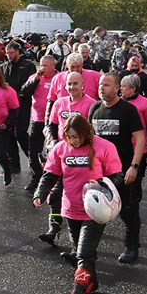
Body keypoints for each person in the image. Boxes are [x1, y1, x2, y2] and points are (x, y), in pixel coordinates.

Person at [33, 114, 123, 294]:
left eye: (76, 137)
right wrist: (40, 193)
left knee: (83, 253)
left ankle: (78, 291)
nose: (73, 141)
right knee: (83, 254)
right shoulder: (61, 148)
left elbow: (116, 175)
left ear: (85, 133)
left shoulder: (104, 147)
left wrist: (100, 184)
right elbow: (50, 174)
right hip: (71, 209)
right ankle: (92, 283)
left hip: (95, 211)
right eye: (69, 137)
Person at [88, 72, 147, 264]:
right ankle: (87, 250)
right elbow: (90, 140)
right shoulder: (94, 108)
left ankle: (132, 246)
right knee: (96, 210)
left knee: (128, 211)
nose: (102, 88)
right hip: (100, 172)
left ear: (117, 88)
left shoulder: (128, 110)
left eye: (106, 85)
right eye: (100, 85)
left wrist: (134, 167)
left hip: (124, 170)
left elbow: (140, 138)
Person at [41, 71, 97, 244]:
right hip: (61, 155)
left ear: (82, 85)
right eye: (69, 84)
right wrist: (51, 141)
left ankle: (85, 236)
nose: (72, 87)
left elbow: (95, 133)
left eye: (75, 84)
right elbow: (51, 126)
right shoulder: (59, 103)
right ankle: (54, 228)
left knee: (80, 196)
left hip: (82, 158)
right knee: (55, 193)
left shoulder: (92, 104)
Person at [20, 55, 58, 192]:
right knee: (34, 151)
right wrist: (36, 79)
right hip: (37, 120)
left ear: (54, 65)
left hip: (54, 121)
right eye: (41, 65)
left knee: (53, 151)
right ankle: (36, 177)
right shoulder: (35, 77)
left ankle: (53, 179)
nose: (42, 68)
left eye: (46, 65)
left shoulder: (59, 78)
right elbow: (24, 92)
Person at [0, 41, 36, 176]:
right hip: (7, 106)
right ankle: (13, 164)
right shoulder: (3, 67)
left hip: (22, 104)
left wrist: (20, 94)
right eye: (7, 53)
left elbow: (31, 85)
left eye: (11, 53)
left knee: (20, 133)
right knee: (8, 135)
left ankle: (34, 162)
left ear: (18, 52)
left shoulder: (28, 66)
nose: (9, 55)